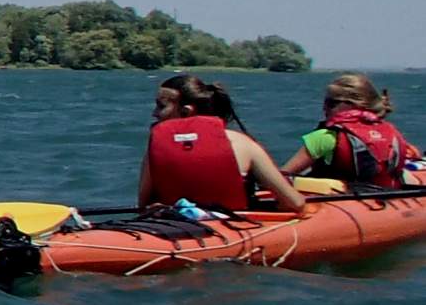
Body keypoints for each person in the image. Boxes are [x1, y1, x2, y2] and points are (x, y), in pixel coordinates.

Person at [138, 74, 303, 212]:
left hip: (173, 233)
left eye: (161, 106)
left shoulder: (156, 147)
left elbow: (144, 206)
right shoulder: (243, 144)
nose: (155, 113)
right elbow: (295, 203)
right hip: (233, 232)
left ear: (186, 111)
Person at [279, 74, 421, 186]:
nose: (324, 108)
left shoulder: (326, 136)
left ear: (354, 104)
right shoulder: (392, 133)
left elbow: (282, 177)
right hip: (386, 204)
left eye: (331, 103)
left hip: (336, 207)